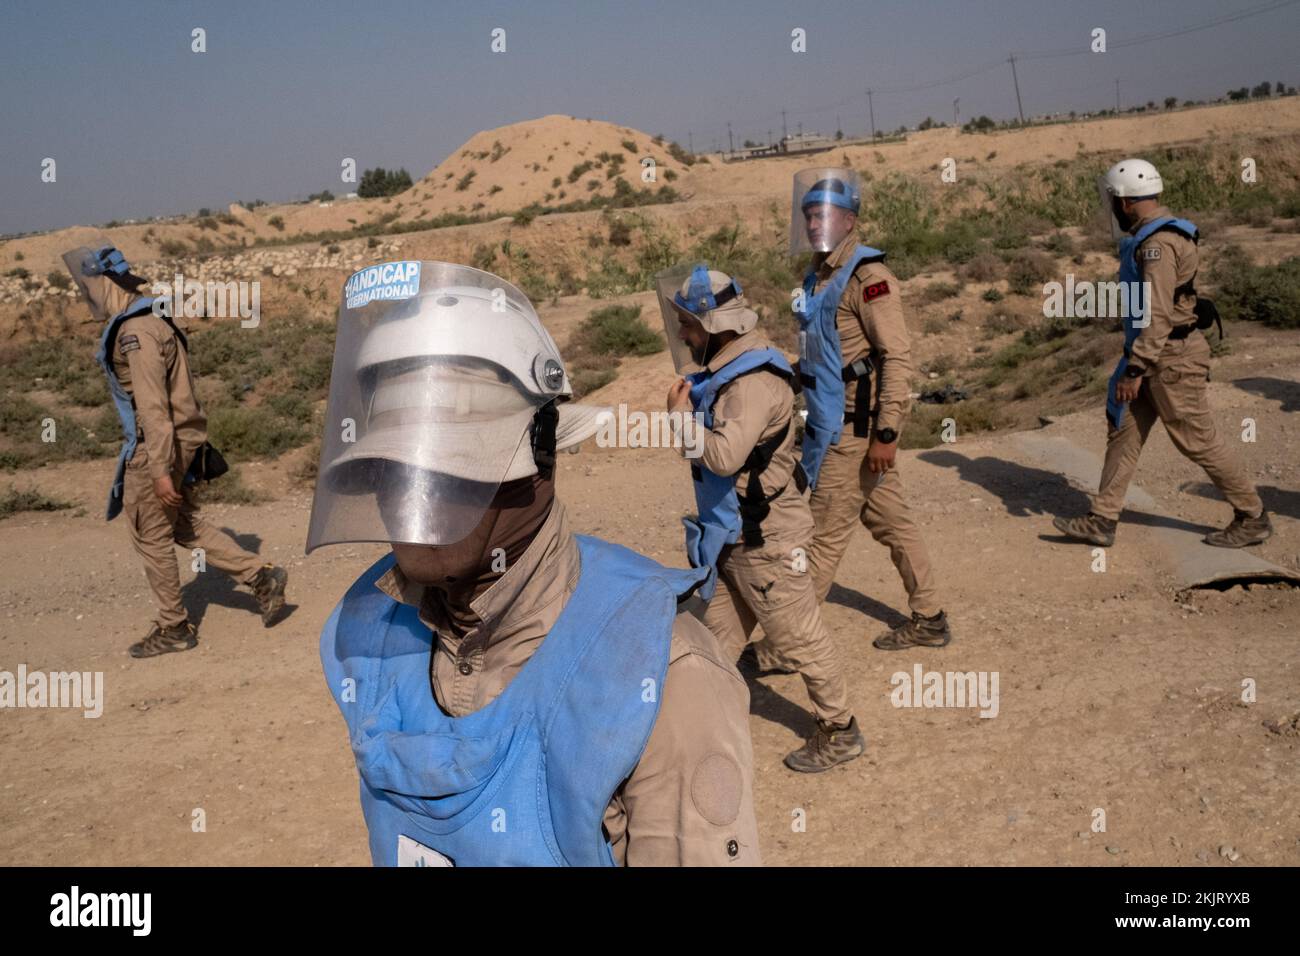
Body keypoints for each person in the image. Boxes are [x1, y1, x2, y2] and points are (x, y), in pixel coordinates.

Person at [312, 261, 760, 866]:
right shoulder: (369, 627)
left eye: (449, 468)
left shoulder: (661, 674)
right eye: (391, 466)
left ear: (541, 458)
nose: (407, 498)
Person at [660, 264, 864, 773]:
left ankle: (840, 729)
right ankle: (700, 728)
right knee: (714, 640)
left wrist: (679, 420)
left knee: (799, 637)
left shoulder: (750, 382)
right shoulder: (733, 369)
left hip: (766, 539)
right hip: (735, 536)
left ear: (714, 326)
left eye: (687, 325)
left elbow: (725, 457)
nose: (683, 335)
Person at [757, 168, 951, 663]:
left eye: (823, 215)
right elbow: (824, 358)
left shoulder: (869, 277)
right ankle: (929, 617)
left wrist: (887, 432)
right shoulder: (818, 278)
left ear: (849, 220)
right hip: (830, 424)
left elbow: (896, 357)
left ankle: (785, 648)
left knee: (819, 538)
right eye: (808, 215)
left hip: (855, 433)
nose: (814, 224)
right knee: (894, 523)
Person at [62, 243, 288, 658]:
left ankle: (174, 627)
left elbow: (153, 407)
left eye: (87, 283)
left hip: (158, 447)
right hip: (178, 441)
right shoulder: (153, 317)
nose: (84, 291)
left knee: (151, 535)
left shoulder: (134, 333)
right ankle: (260, 577)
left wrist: (160, 469)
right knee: (181, 524)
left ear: (103, 281)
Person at [1053, 158, 1271, 549]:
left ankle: (1252, 516)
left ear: (1123, 202)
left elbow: (1156, 313)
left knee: (1197, 441)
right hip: (1152, 355)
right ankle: (1103, 518)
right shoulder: (1157, 236)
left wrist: (1135, 368)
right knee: (1124, 434)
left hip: (1167, 359)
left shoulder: (1157, 244)